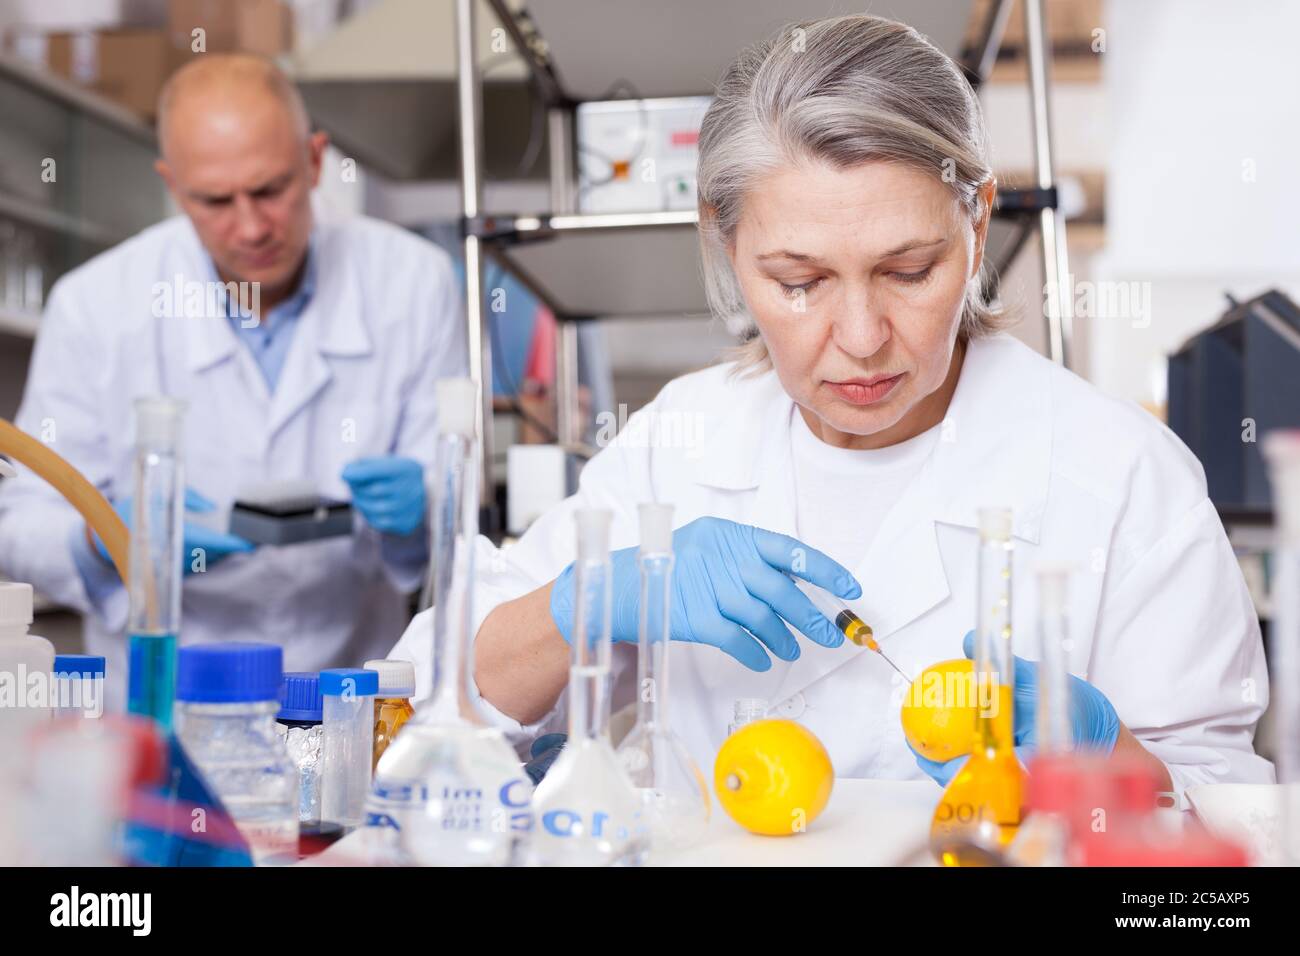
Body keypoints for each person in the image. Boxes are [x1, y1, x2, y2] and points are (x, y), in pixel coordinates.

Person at [389, 15, 1272, 799]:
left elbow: (1228, 844)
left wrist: (1103, 752)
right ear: (723, 241)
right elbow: (417, 710)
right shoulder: (679, 443)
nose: (860, 335)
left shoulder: (1121, 473)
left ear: (978, 223)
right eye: (799, 281)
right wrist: (580, 607)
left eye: (909, 270)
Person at [0, 54, 466, 708]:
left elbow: (456, 503)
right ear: (171, 183)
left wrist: (424, 509)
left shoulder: (412, 282)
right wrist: (102, 539)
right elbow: (18, 518)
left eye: (271, 189)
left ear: (314, 160)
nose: (250, 228)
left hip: (350, 699)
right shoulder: (95, 304)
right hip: (160, 702)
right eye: (215, 201)